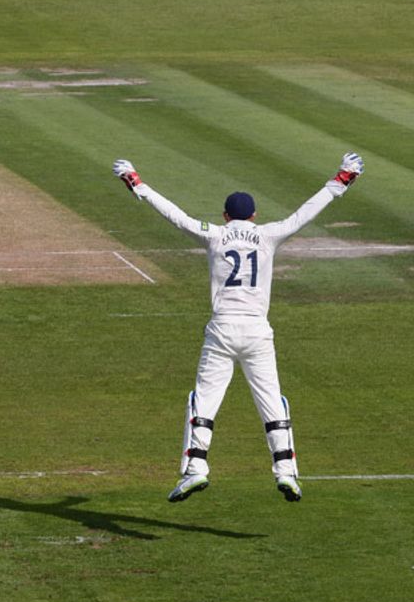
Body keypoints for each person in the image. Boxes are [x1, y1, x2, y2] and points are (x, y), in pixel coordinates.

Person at [112, 153, 366, 503]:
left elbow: (175, 215)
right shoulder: (269, 235)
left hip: (221, 330)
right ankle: (286, 471)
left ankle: (196, 468)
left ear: (225, 216)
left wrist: (137, 184)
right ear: (254, 216)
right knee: (272, 401)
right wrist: (340, 180)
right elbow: (304, 213)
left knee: (204, 399)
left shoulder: (215, 235)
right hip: (258, 331)